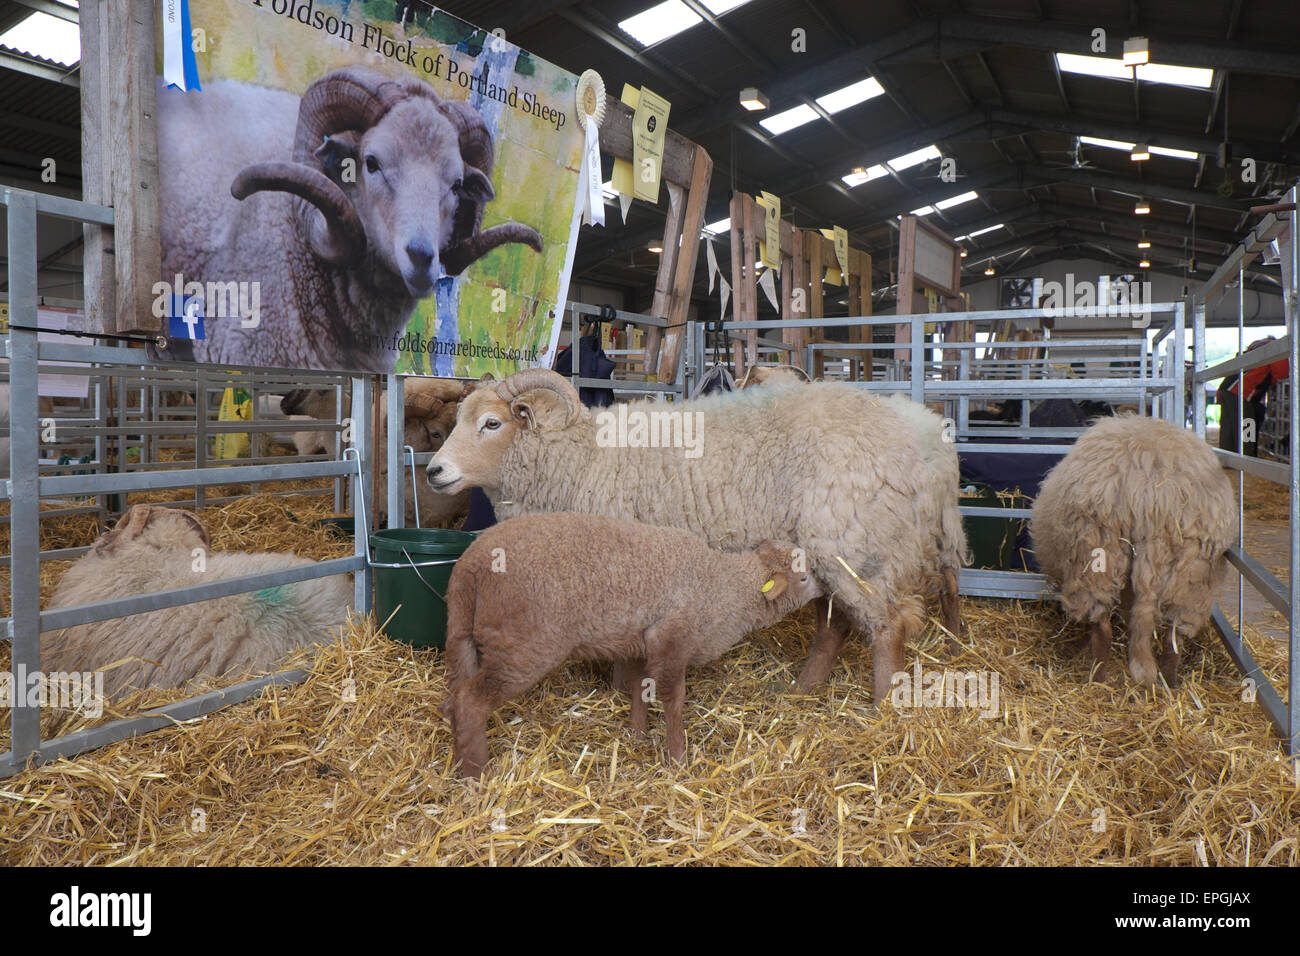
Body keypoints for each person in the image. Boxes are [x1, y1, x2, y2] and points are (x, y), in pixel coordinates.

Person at [1217, 336, 1289, 457]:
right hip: (1242, 392)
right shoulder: (1275, 348)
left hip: (1226, 388)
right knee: (1248, 422)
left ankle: (1227, 457)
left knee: (1228, 425)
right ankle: (1247, 457)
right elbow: (1282, 373)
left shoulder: (1255, 348)